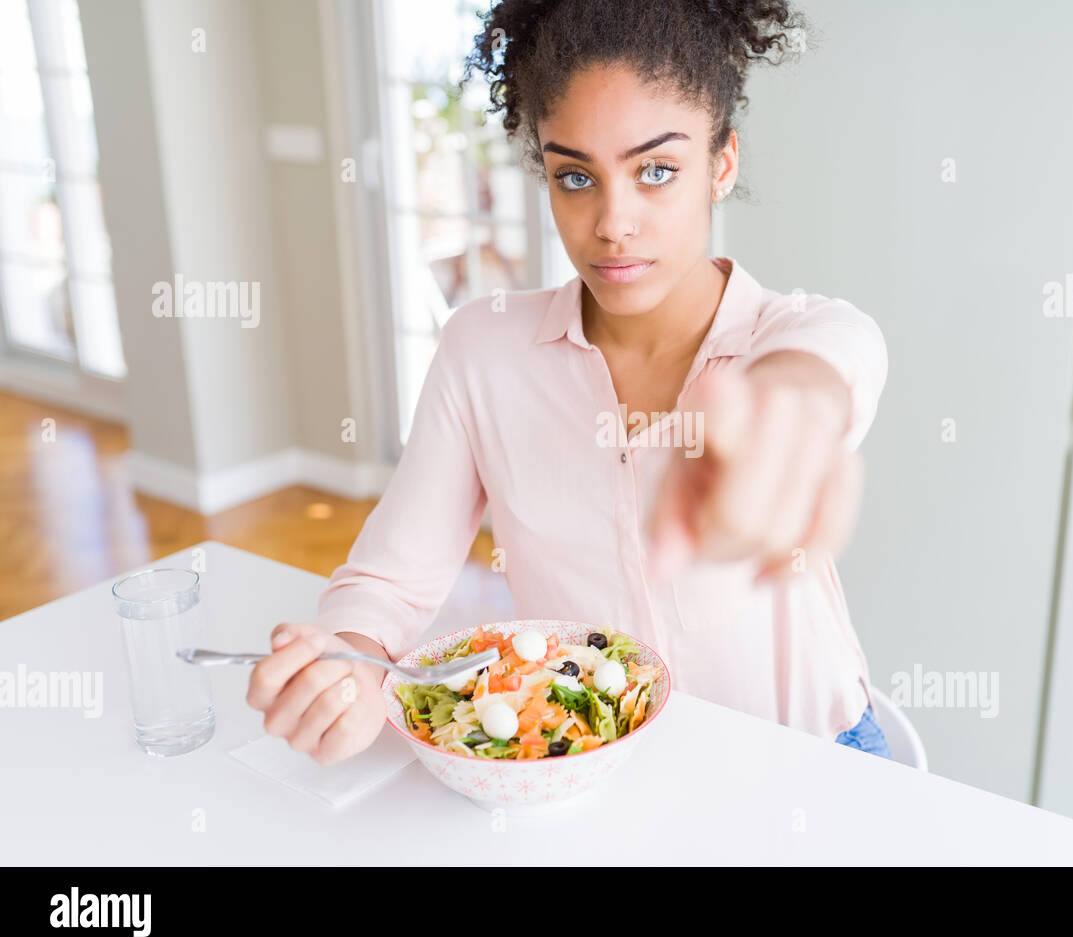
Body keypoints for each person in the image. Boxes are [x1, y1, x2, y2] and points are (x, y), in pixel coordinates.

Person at [246, 0, 891, 765]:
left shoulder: (793, 336)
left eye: (657, 171)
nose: (613, 222)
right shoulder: (482, 351)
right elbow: (390, 579)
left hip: (813, 765)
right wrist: (347, 662)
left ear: (721, 165)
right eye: (576, 176)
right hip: (592, 764)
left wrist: (787, 411)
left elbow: (824, 375)